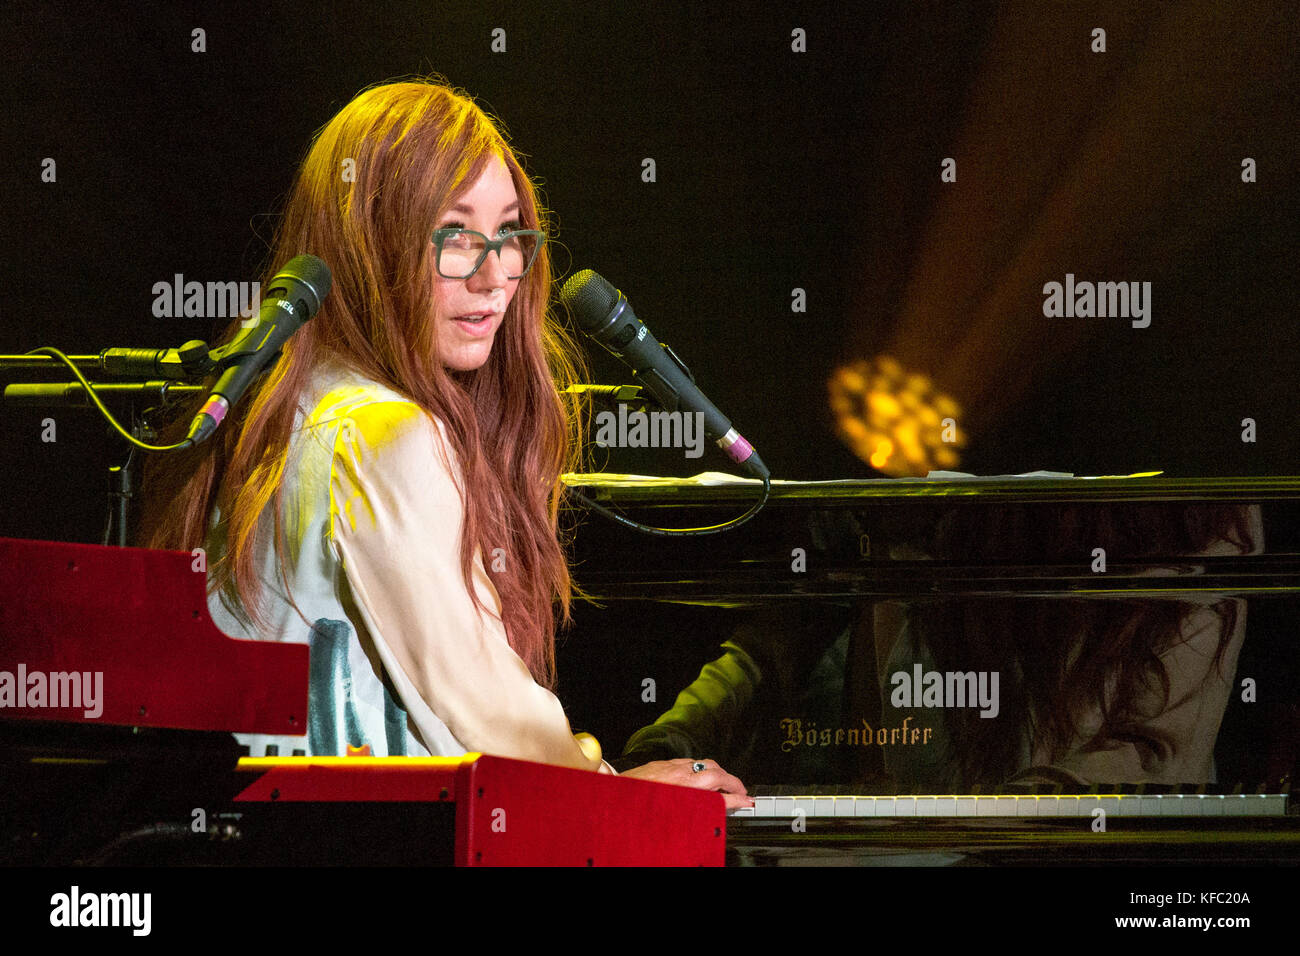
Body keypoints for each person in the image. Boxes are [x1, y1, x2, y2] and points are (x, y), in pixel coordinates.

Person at [136, 78, 751, 808]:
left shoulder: (267, 413)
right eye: (456, 236)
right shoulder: (385, 433)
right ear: (370, 240)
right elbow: (484, 712)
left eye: (511, 236)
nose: (495, 277)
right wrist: (621, 793)